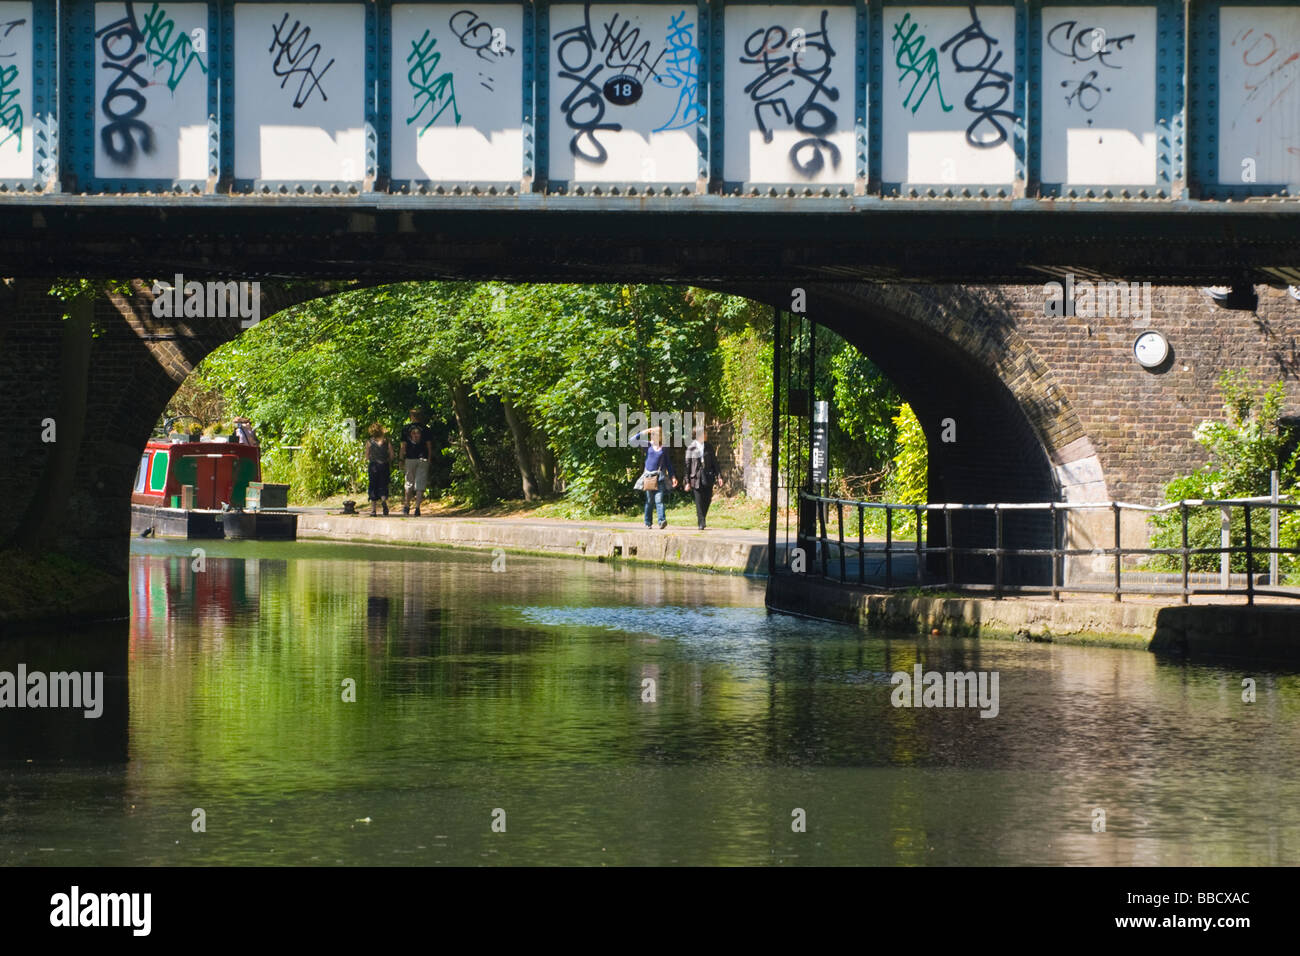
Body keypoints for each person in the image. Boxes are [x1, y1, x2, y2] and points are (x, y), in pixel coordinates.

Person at [629, 425, 677, 529]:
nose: (654, 436)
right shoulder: (647, 445)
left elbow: (668, 464)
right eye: (653, 434)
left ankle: (661, 521)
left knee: (659, 500)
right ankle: (648, 522)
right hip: (648, 478)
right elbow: (631, 441)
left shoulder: (664, 449)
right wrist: (644, 432)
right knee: (649, 501)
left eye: (657, 434)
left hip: (659, 478)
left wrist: (673, 477)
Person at [683, 425, 719, 530]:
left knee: (707, 499)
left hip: (708, 476)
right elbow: (687, 466)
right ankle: (701, 522)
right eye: (704, 433)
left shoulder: (709, 447)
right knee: (699, 501)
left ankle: (702, 518)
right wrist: (687, 482)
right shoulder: (691, 448)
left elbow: (715, 462)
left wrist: (719, 476)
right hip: (695, 478)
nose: (706, 435)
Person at [399, 408, 434, 516]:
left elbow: (403, 446)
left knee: (409, 482)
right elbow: (429, 446)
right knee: (420, 483)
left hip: (410, 458)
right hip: (422, 458)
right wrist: (429, 458)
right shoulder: (426, 429)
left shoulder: (405, 429)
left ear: (412, 417)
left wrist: (401, 459)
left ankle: (406, 506)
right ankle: (417, 508)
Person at [364, 423, 393, 516]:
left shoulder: (369, 442)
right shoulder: (386, 441)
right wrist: (387, 459)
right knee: (383, 484)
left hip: (373, 466)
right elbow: (392, 455)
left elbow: (367, 456)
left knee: (373, 486)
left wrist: (371, 458)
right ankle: (384, 501)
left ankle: (373, 510)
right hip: (384, 465)